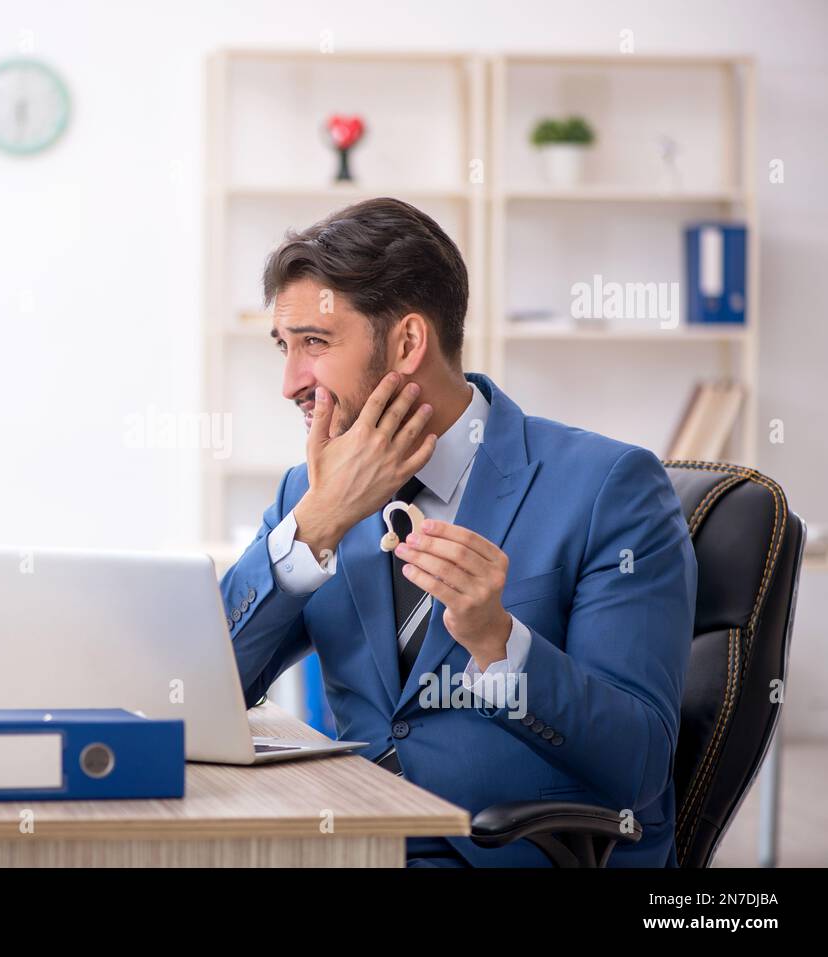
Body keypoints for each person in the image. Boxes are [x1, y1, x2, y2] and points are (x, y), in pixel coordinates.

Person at [218, 197, 697, 866]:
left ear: (409, 342)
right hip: (357, 845)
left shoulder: (609, 487)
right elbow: (208, 685)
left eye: (314, 343)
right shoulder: (311, 493)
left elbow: (638, 765)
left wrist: (501, 646)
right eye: (286, 347)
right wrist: (317, 524)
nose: (290, 381)